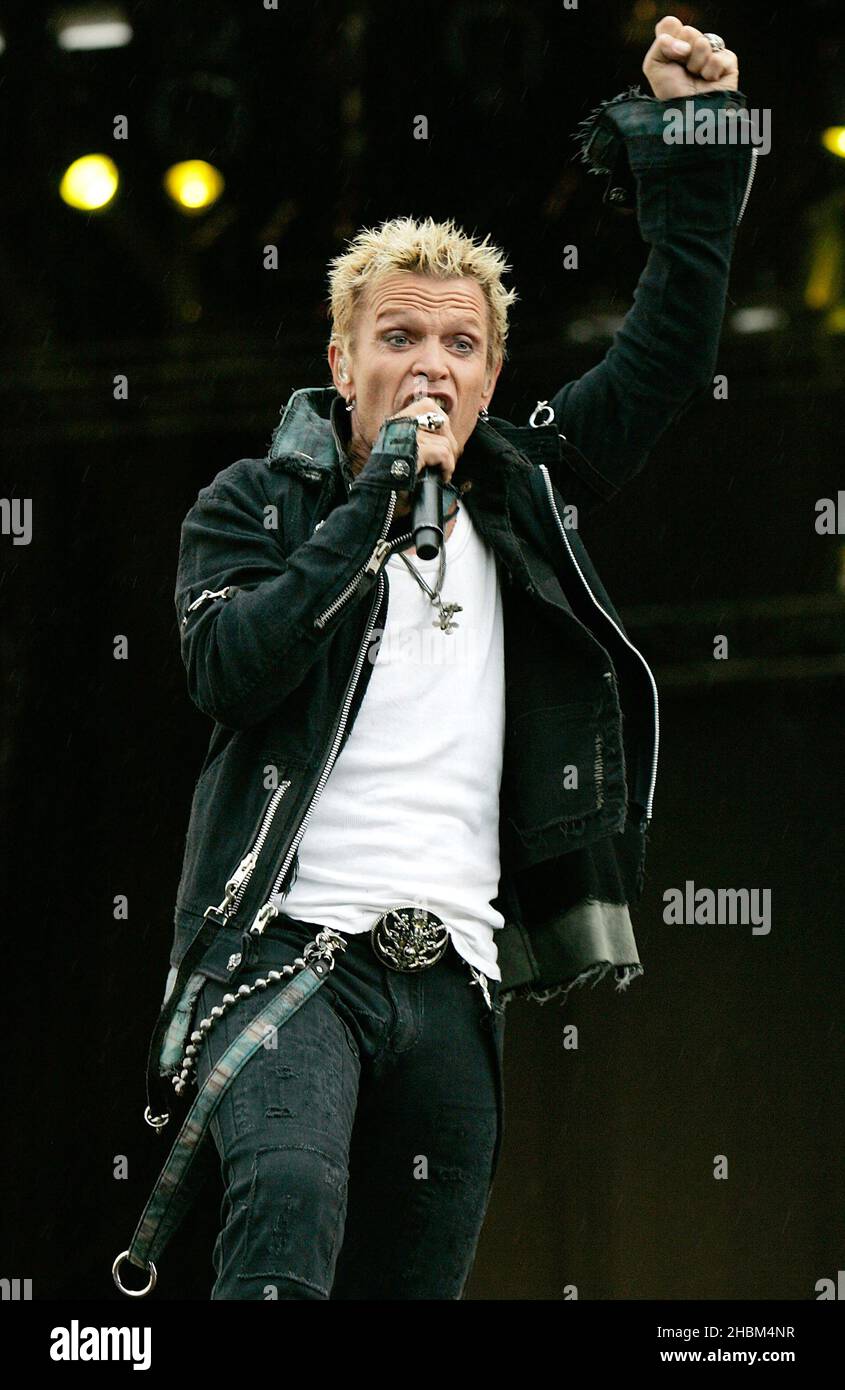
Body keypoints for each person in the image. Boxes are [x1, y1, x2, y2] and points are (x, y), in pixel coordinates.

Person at [133, 17, 755, 1300]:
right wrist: (367, 506)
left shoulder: (525, 497)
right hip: (291, 953)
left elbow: (667, 352)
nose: (429, 366)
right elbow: (230, 669)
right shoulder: (253, 504)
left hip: (454, 981)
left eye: (459, 346)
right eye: (399, 339)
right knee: (290, 1205)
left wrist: (691, 142)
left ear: (490, 375)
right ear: (339, 361)